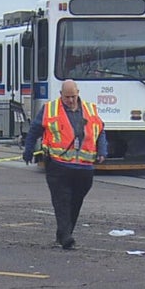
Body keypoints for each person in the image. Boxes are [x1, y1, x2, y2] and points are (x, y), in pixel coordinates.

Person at [22, 79, 107, 250]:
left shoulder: (90, 109)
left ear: (78, 93)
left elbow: (100, 131)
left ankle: (63, 234)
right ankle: (67, 238)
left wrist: (102, 150)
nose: (70, 100)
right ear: (61, 95)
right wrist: (28, 150)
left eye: (73, 96)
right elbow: (34, 130)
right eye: (67, 97)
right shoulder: (50, 109)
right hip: (58, 165)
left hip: (84, 167)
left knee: (75, 202)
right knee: (61, 201)